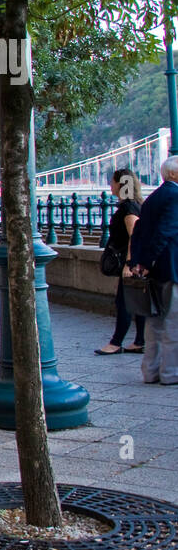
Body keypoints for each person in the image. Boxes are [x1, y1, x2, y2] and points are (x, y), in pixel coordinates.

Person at [129, 157, 178, 382]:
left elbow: (139, 232)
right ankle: (170, 373)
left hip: (154, 269)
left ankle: (150, 371)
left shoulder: (153, 197)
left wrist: (140, 263)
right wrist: (148, 262)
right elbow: (164, 233)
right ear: (174, 174)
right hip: (170, 267)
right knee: (172, 322)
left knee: (154, 321)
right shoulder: (175, 196)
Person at [98, 168, 145, 355]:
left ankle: (116, 343)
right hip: (136, 260)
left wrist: (129, 263)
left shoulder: (128, 208)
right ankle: (140, 341)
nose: (110, 184)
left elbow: (134, 235)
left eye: (113, 181)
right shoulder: (134, 205)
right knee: (137, 301)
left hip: (130, 262)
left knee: (123, 302)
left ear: (121, 184)